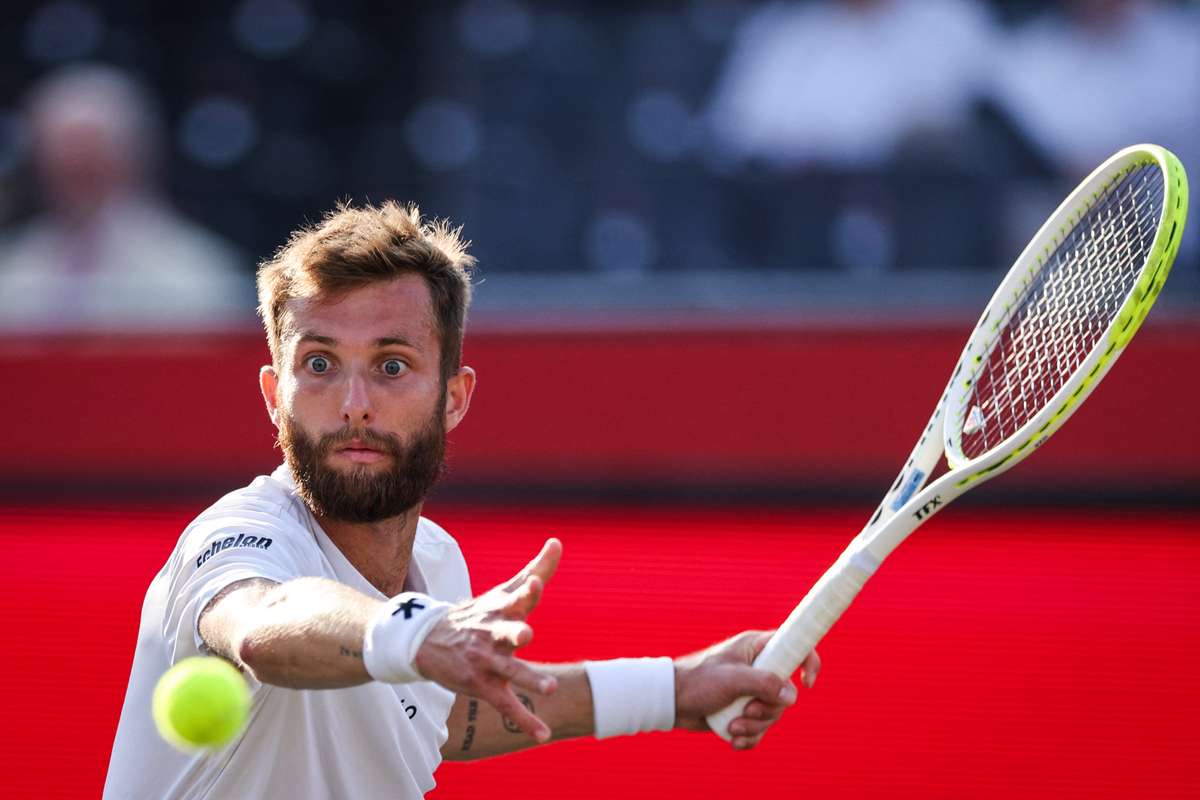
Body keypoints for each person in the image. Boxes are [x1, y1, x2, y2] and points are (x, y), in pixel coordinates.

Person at [103, 201, 821, 799]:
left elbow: (440, 718)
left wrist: (677, 687)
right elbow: (265, 627)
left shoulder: (437, 564)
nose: (354, 404)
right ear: (273, 396)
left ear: (453, 397)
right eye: (318, 364)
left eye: (392, 365)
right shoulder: (232, 535)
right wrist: (418, 634)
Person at [0, 64, 250, 331]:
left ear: (136, 151)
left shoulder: (198, 272)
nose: (76, 161)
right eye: (62, 148)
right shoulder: (13, 266)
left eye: (91, 146)